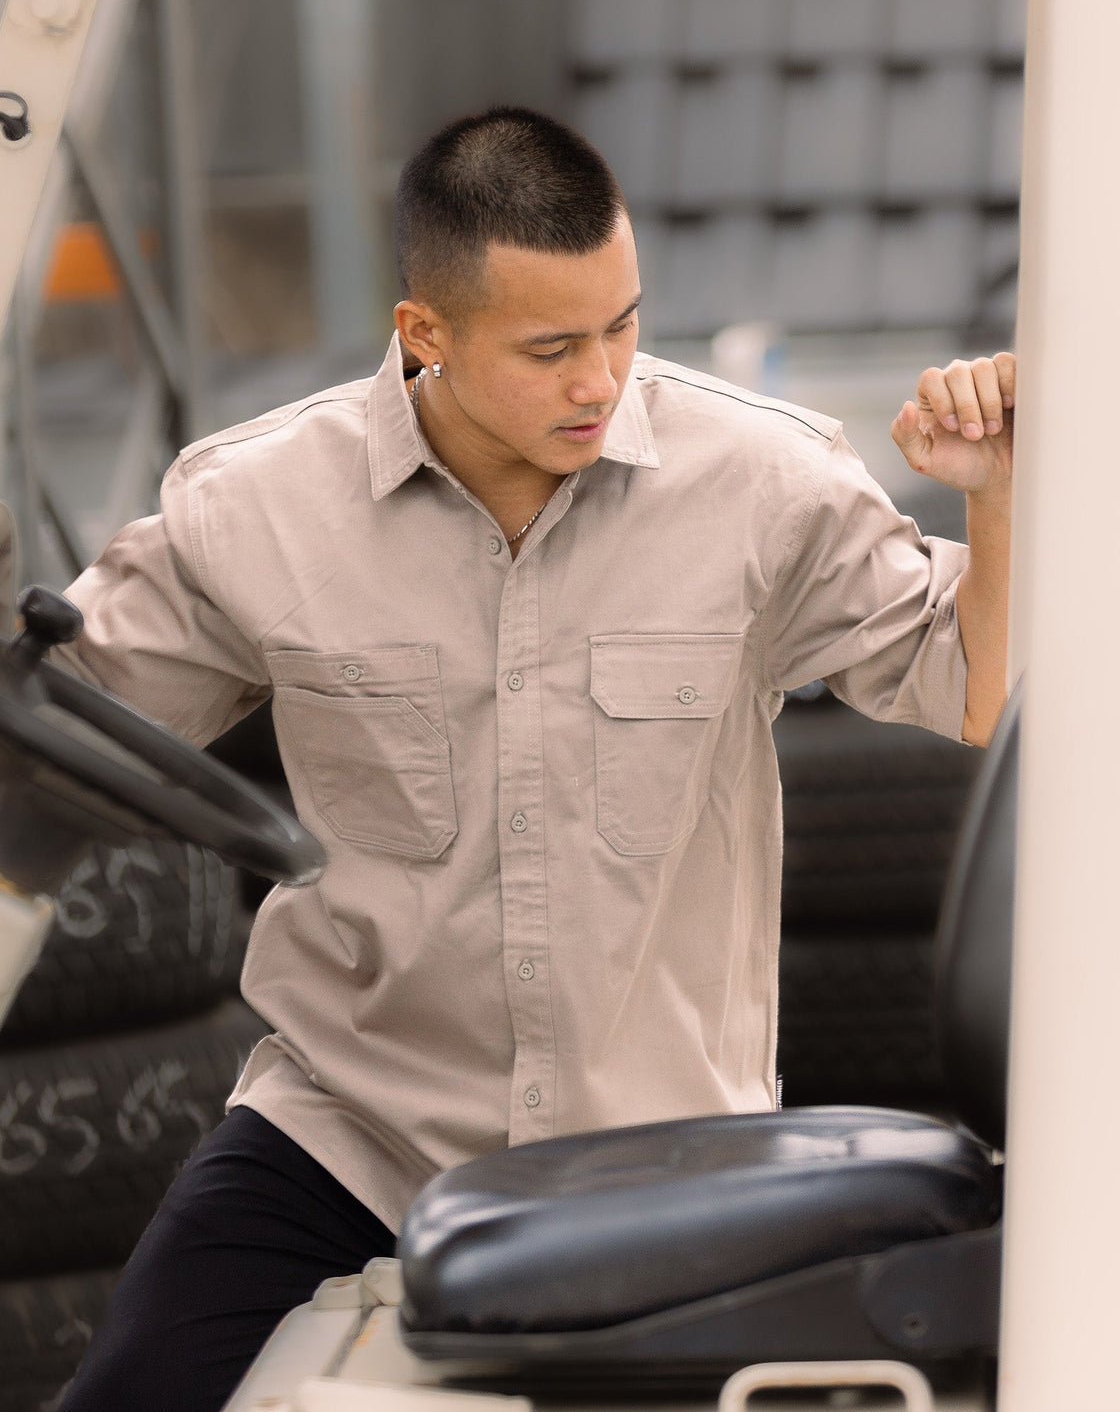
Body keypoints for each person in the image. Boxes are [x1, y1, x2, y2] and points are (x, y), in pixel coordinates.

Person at [56, 107, 1013, 1410]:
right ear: (426, 335)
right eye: (553, 346)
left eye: (622, 325)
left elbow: (976, 688)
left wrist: (995, 494)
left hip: (659, 1164)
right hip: (350, 1127)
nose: (601, 380)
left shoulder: (766, 483)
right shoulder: (253, 506)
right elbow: (61, 715)